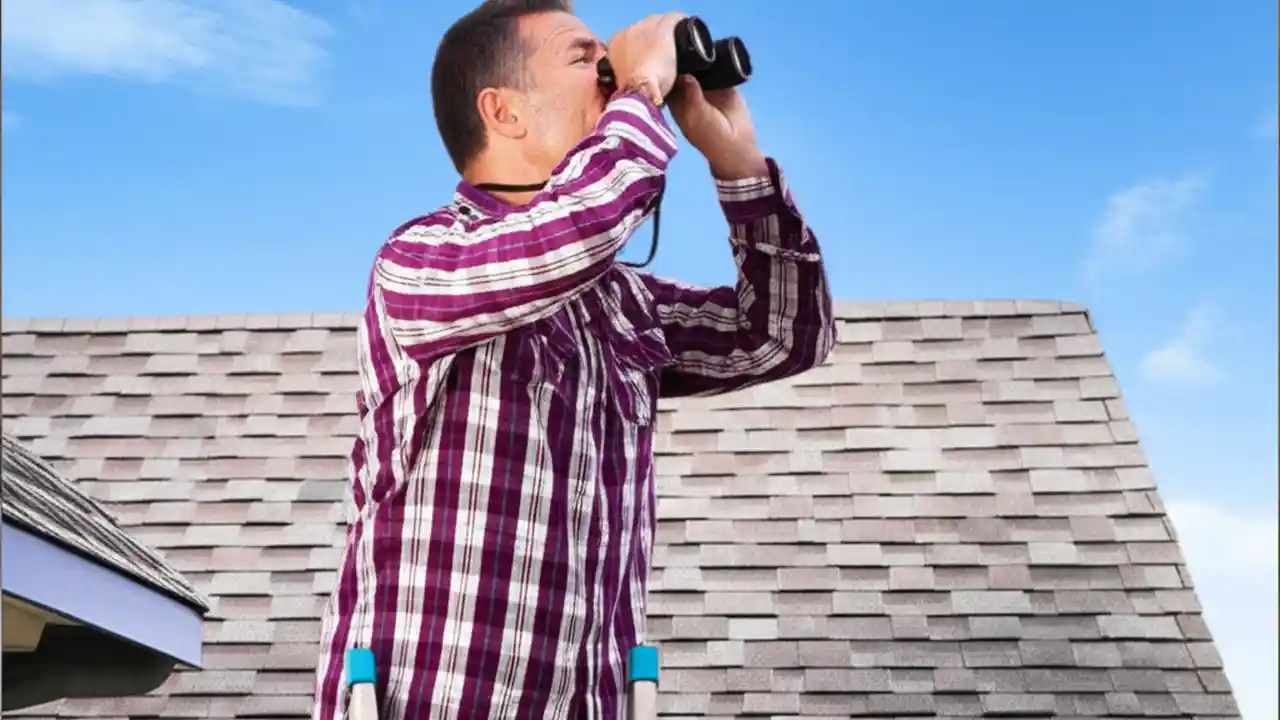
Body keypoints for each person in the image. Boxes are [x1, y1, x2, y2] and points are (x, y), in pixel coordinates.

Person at [311, 1, 835, 718]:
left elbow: (786, 333)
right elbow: (564, 240)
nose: (609, 76)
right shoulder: (422, 263)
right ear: (503, 112)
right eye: (583, 57)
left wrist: (736, 161)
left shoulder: (623, 303)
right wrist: (643, 94)